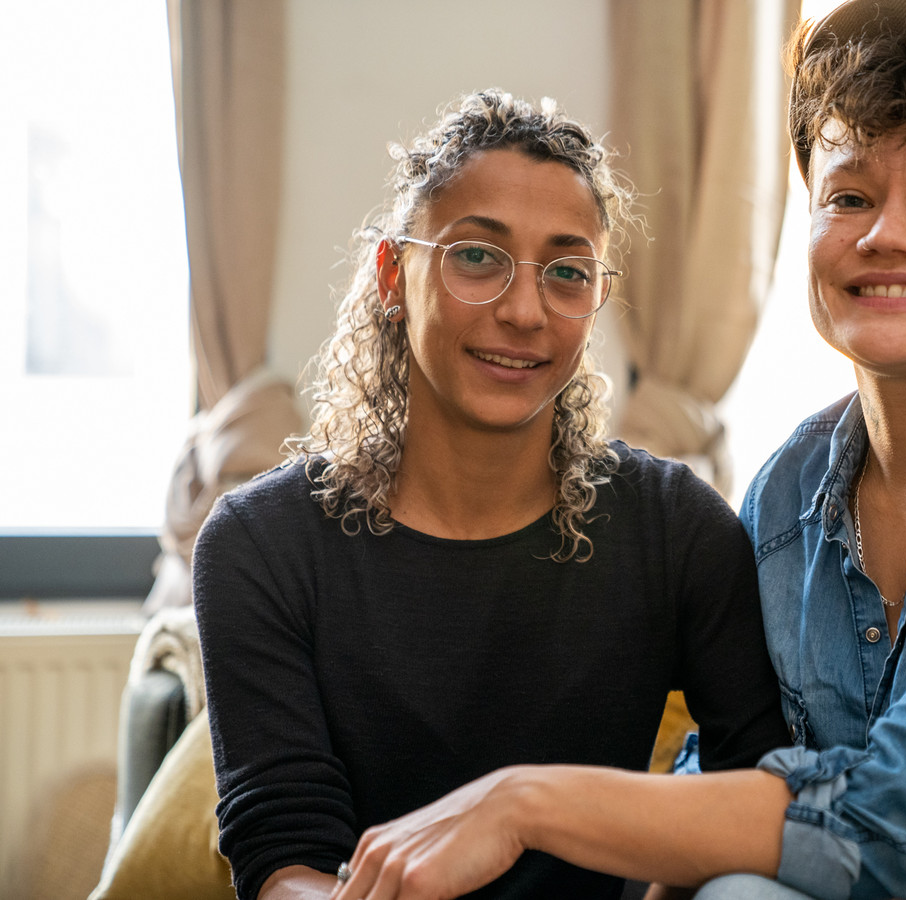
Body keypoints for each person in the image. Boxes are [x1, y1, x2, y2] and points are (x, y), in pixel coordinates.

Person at [330, 2, 906, 898]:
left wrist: (524, 801)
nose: (887, 235)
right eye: (849, 195)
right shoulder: (787, 495)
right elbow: (731, 770)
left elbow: (901, 812)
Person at [191, 89, 789, 900]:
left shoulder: (675, 528)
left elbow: (760, 795)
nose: (523, 311)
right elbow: (282, 860)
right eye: (477, 256)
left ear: (596, 300)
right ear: (393, 276)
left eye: (567, 272)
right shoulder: (261, 544)